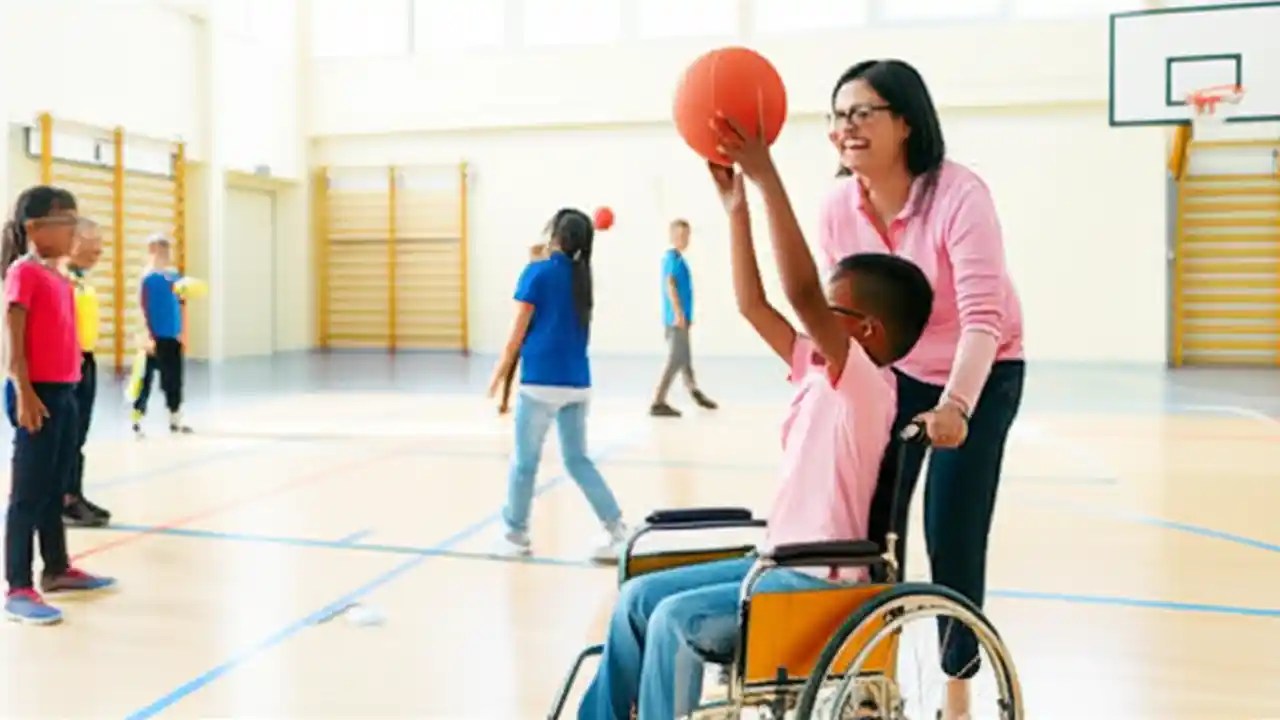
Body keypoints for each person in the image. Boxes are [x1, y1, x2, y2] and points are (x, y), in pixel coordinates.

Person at [576, 121, 935, 720]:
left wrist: (767, 176)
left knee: (672, 621)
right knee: (637, 595)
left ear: (866, 329)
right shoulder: (817, 368)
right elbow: (753, 303)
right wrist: (736, 207)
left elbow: (796, 293)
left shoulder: (870, 390)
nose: (817, 312)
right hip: (775, 562)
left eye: (831, 305)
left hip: (815, 585)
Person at [818, 59, 1026, 717]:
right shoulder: (836, 207)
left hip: (982, 373)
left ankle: (958, 695)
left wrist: (956, 406)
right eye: (838, 115)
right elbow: (846, 319)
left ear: (905, 122)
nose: (846, 127)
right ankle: (878, 680)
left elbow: (982, 319)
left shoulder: (959, 196)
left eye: (862, 113)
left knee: (951, 531)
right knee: (874, 532)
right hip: (897, 371)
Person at [487, 209, 628, 563]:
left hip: (539, 383)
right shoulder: (583, 279)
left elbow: (517, 334)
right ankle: (617, 530)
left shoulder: (536, 273)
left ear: (556, 237)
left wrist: (500, 373)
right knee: (578, 460)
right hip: (577, 383)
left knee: (525, 463)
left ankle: (515, 534)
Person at [2, 185, 116, 625]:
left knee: (55, 486)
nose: (74, 229)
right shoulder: (23, 273)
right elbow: (13, 336)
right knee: (28, 493)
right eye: (65, 221)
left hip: (65, 391)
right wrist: (23, 389)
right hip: (38, 393)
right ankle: (17, 585)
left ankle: (56, 568)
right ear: (35, 228)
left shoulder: (59, 277)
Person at [62, 218, 110, 527]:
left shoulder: (80, 279)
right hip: (66, 363)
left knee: (78, 434)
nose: (98, 251)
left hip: (85, 360)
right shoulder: (60, 278)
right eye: (92, 244)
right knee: (66, 435)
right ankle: (63, 497)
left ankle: (73, 493)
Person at [649, 219, 717, 417]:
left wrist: (686, 315)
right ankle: (658, 401)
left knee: (685, 358)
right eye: (680, 236)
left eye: (686, 236)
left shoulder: (680, 259)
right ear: (672, 237)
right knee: (676, 359)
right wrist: (678, 313)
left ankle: (694, 391)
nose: (684, 239)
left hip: (682, 318)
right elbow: (669, 285)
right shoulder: (671, 258)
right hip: (675, 319)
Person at [131, 233, 192, 437]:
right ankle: (137, 420)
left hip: (172, 337)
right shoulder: (147, 278)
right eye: (158, 249)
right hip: (153, 337)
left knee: (174, 380)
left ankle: (175, 420)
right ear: (151, 251)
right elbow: (142, 306)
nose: (163, 253)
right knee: (144, 381)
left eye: (165, 249)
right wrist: (146, 335)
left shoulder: (175, 277)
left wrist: (184, 333)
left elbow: (182, 305)